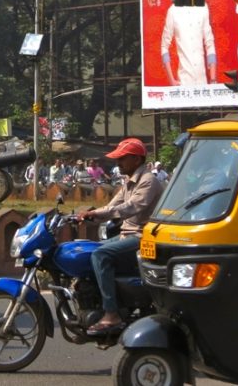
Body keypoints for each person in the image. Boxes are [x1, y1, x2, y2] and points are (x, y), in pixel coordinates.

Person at [77, 137, 162, 335]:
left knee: (100, 255)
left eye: (122, 158)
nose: (118, 163)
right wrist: (87, 216)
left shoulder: (148, 181)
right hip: (127, 234)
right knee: (89, 249)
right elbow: (112, 206)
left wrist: (97, 214)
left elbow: (130, 208)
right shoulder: (129, 181)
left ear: (136, 160)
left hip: (142, 237)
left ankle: (111, 313)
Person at [160, 0, 218, 86]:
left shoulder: (203, 7)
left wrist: (213, 78)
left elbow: (209, 42)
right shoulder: (173, 11)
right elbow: (164, 46)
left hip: (203, 82)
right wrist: (171, 80)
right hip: (184, 82)